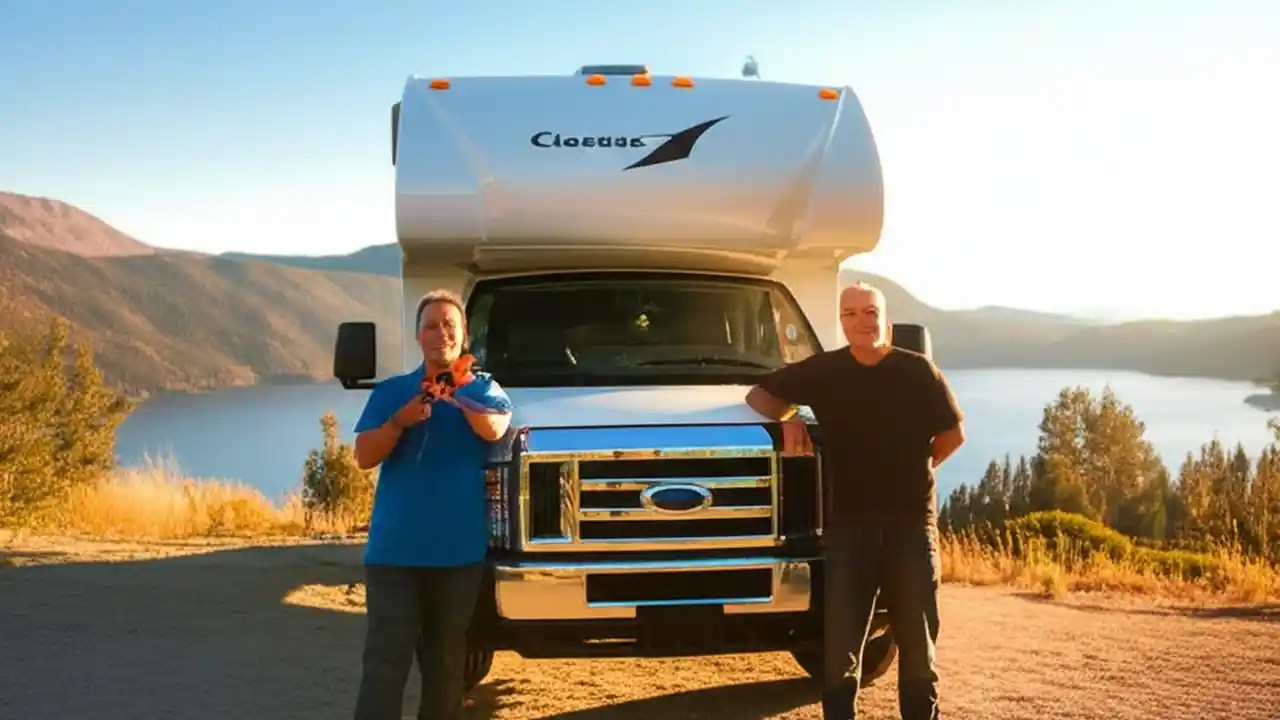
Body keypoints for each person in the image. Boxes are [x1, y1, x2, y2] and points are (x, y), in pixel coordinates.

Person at [744, 282, 965, 720]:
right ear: (841, 322)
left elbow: (952, 435)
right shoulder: (825, 371)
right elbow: (759, 397)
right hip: (849, 528)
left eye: (870, 312)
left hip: (910, 527)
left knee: (918, 645)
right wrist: (790, 420)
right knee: (842, 641)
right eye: (850, 314)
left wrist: (917, 471)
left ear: (885, 318)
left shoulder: (918, 371)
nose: (862, 322)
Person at [351, 289, 513, 720]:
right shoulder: (392, 393)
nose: (440, 333)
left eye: (449, 325)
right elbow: (364, 456)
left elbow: (494, 429)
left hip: (457, 555)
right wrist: (401, 420)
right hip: (394, 555)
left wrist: (453, 391)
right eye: (431, 325)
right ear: (418, 336)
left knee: (445, 667)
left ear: (463, 337)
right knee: (385, 663)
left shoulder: (485, 389)